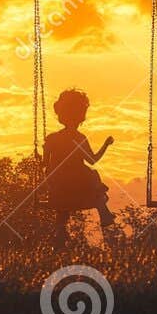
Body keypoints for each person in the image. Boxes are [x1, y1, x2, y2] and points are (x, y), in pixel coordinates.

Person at [43, 88, 115, 243]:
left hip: (60, 186)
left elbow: (44, 164)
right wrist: (106, 144)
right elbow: (92, 160)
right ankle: (104, 212)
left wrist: (49, 181)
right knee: (94, 176)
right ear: (81, 115)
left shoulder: (51, 138)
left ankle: (60, 233)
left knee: (62, 209)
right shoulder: (80, 138)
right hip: (79, 185)